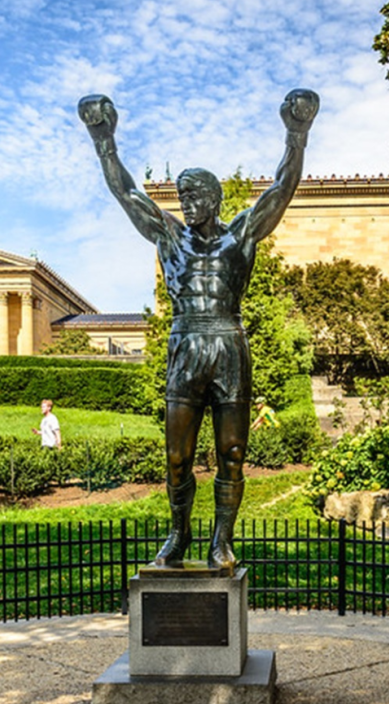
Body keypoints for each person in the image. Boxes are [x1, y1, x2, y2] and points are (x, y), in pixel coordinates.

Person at [78, 88, 319, 571]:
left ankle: (221, 541)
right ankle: (178, 532)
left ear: (215, 198)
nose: (187, 203)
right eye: (182, 196)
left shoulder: (242, 234)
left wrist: (297, 134)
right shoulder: (169, 235)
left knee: (232, 450)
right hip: (185, 342)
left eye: (195, 195)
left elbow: (282, 190)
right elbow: (126, 192)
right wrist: (104, 140)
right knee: (175, 456)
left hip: (229, 342)